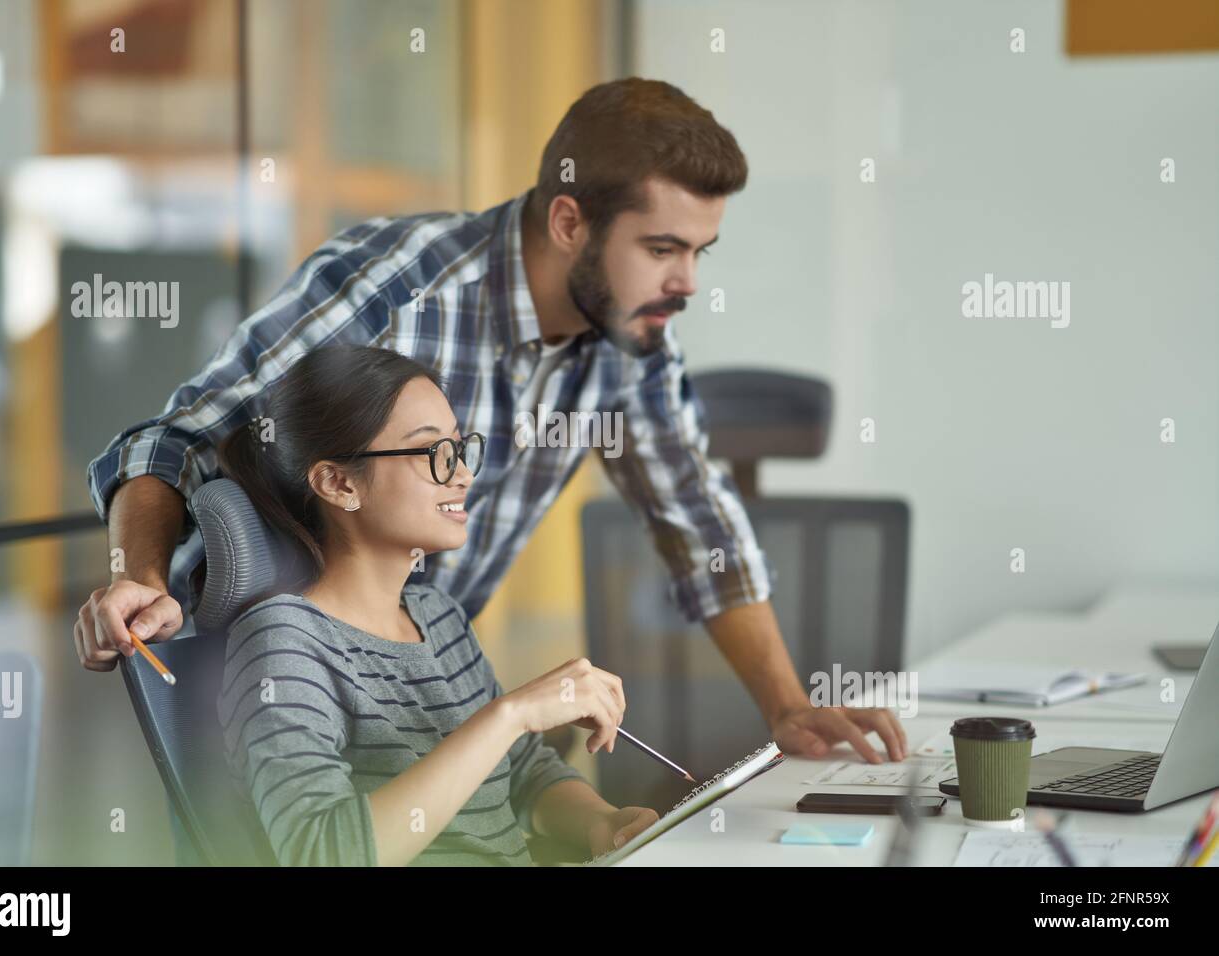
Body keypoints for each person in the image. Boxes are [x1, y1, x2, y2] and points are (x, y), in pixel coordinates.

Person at [78, 77, 906, 791]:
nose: (686, 283)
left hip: (421, 682)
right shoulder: (403, 290)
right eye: (662, 248)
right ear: (572, 222)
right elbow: (174, 439)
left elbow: (702, 527)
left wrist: (788, 707)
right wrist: (138, 573)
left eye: (700, 252)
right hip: (272, 697)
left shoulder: (631, 339)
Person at [214, 343, 656, 865]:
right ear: (338, 482)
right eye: (433, 455)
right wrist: (509, 714)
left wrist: (601, 823)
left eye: (459, 448)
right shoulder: (282, 642)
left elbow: (522, 773)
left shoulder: (438, 616)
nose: (464, 475)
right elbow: (321, 853)